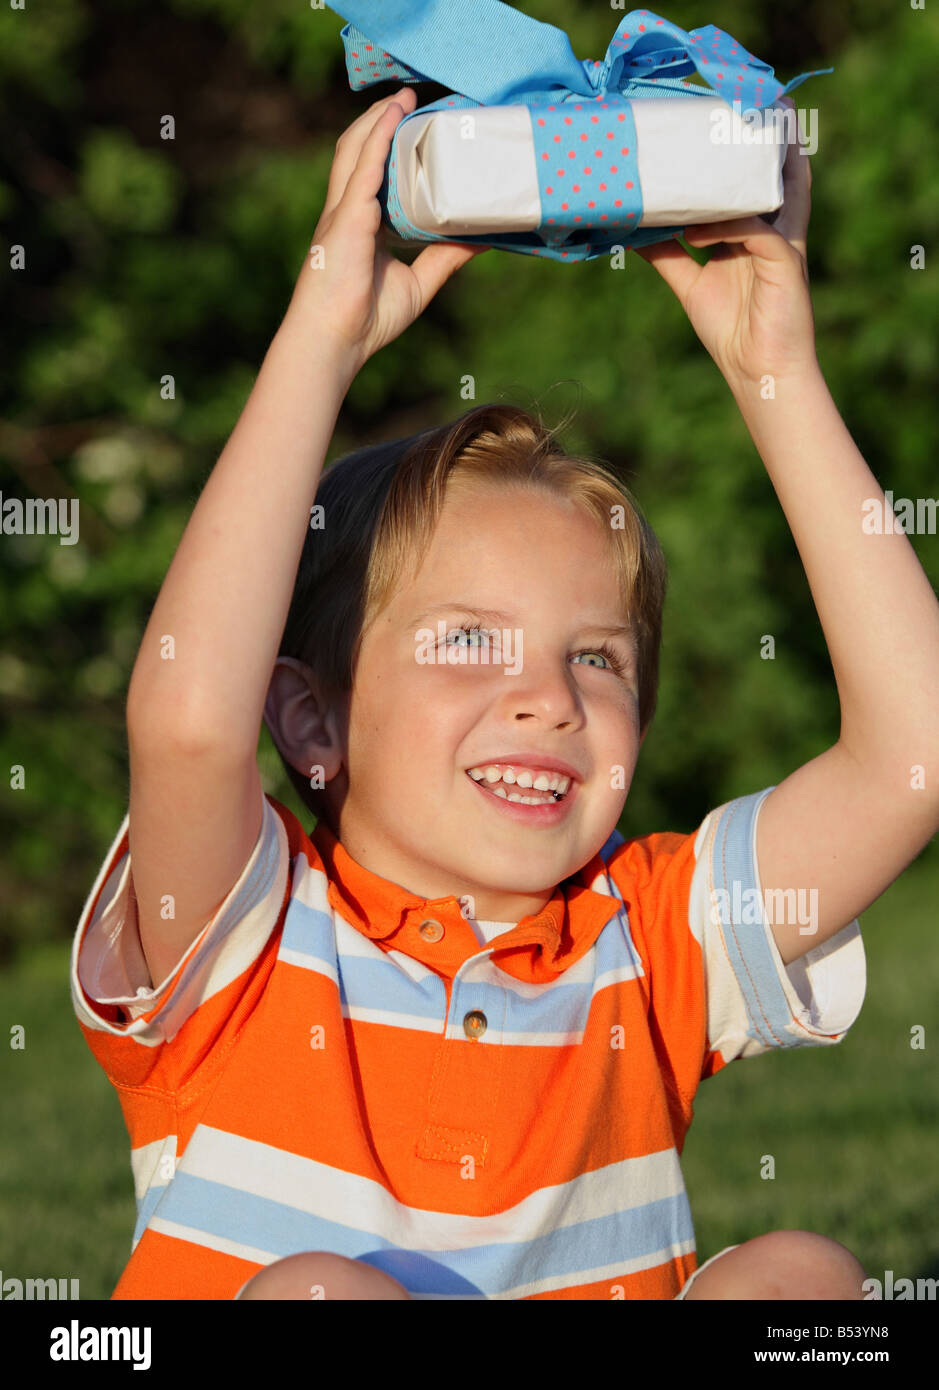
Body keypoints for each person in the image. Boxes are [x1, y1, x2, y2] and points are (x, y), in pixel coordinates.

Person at [71, 88, 939, 1301]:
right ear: (312, 721)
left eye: (598, 657)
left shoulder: (652, 938)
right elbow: (184, 721)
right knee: (324, 1291)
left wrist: (774, 370)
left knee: (797, 1276)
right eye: (469, 640)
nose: (548, 697)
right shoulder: (250, 938)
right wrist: (320, 338)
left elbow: (915, 758)